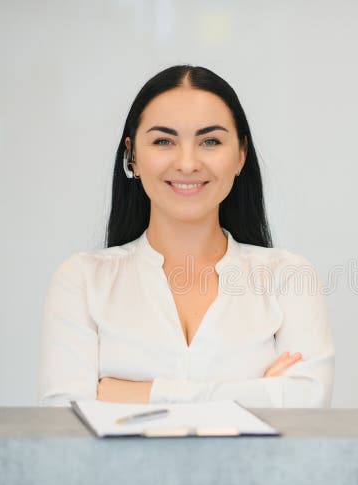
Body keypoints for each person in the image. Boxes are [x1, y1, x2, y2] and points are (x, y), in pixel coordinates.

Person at [38, 65, 334, 408]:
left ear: (240, 155)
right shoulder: (82, 280)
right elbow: (65, 418)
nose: (188, 163)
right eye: (164, 141)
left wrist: (144, 393)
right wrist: (256, 395)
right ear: (132, 156)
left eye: (210, 141)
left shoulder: (289, 277)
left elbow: (307, 402)